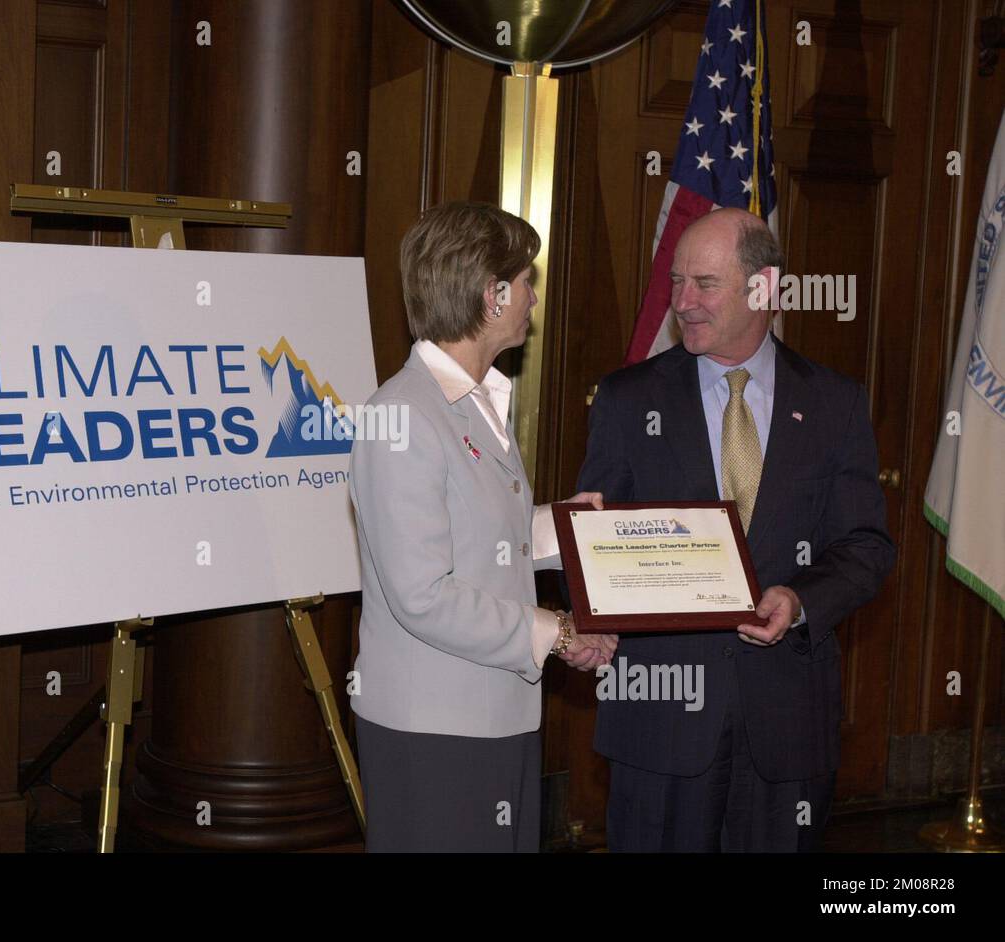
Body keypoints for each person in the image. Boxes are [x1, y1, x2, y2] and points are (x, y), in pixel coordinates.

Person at [577, 207, 895, 851]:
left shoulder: (836, 403)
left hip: (787, 725)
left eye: (705, 284)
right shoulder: (627, 399)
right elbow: (598, 539)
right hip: (660, 721)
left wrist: (801, 598)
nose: (683, 302)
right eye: (677, 281)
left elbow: (866, 546)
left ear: (765, 289)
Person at [349, 201, 617, 852]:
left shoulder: (473, 401)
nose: (533, 296)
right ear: (490, 294)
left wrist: (568, 527)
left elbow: (479, 534)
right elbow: (423, 593)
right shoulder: (403, 415)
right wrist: (556, 632)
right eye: (526, 279)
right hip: (434, 731)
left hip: (493, 713)